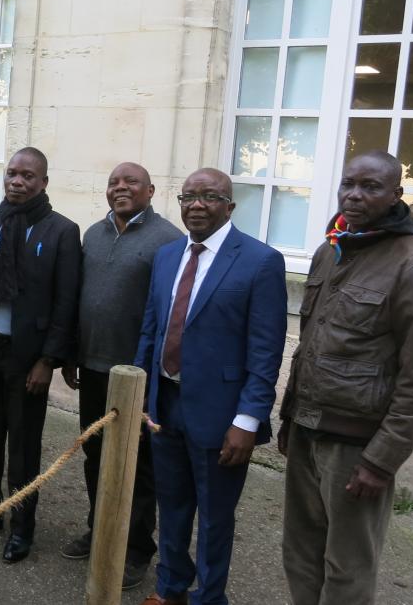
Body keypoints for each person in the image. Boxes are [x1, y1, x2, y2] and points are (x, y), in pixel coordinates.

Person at [279, 151, 413, 605]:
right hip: (307, 432)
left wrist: (381, 461)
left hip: (357, 449)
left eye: (370, 187)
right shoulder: (329, 251)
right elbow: (311, 346)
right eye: (348, 184)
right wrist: (291, 417)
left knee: (348, 568)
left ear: (395, 195)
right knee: (300, 553)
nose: (354, 195)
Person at [133, 168, 287, 605]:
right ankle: (170, 589)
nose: (197, 205)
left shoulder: (260, 261)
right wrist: (141, 393)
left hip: (222, 415)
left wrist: (248, 419)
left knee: (215, 517)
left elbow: (266, 352)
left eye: (210, 196)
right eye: (189, 197)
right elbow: (151, 330)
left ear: (230, 206)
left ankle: (209, 596)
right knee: (172, 505)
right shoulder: (167, 256)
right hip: (165, 405)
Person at [0, 148, 80, 563]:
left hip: (28, 358)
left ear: (44, 182)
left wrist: (48, 361)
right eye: (11, 174)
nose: (17, 182)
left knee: (23, 446)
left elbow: (66, 302)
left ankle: (22, 528)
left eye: (27, 176)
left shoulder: (61, 231)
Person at [61, 162, 181, 588]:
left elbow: (169, 313)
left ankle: (135, 548)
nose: (120, 187)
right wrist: (73, 353)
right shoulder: (93, 234)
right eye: (113, 182)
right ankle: (100, 530)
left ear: (151, 190)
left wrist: (151, 373)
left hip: (136, 376)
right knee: (95, 454)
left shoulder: (168, 239)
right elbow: (79, 297)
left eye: (131, 182)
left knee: (138, 465)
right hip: (93, 366)